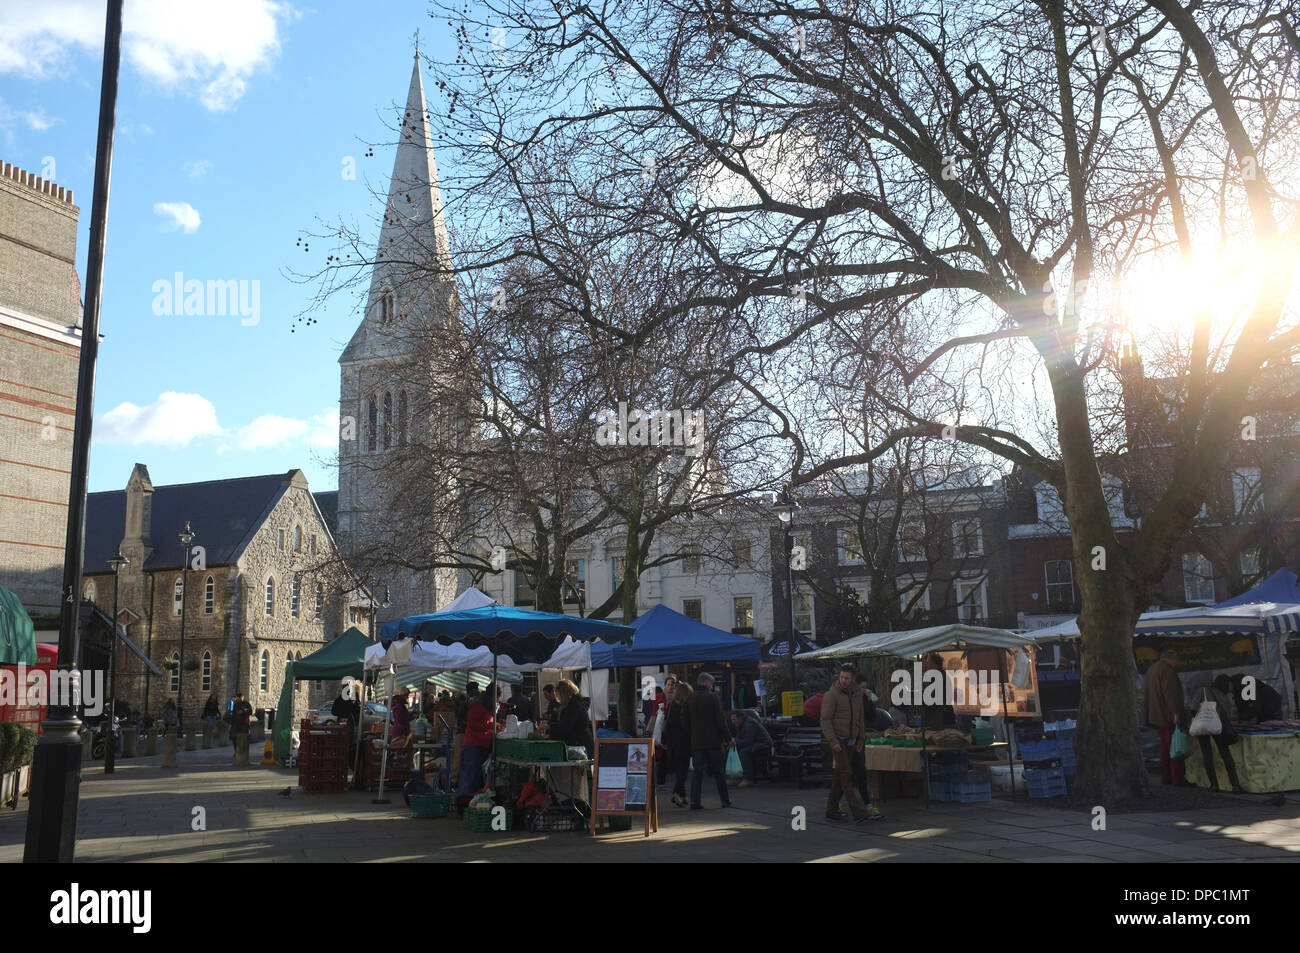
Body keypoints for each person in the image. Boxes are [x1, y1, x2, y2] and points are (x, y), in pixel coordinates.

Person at [820, 664, 871, 822]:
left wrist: (861, 739)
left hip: (851, 741)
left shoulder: (857, 694)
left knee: (840, 776)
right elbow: (825, 719)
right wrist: (833, 741)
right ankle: (857, 811)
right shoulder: (832, 695)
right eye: (841, 677)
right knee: (846, 775)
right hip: (839, 740)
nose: (843, 680)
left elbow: (860, 718)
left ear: (853, 679)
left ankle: (831, 809)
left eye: (846, 678)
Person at [683, 672, 732, 809]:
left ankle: (694, 801)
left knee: (697, 773)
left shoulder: (689, 698)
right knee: (718, 772)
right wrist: (728, 738)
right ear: (706, 683)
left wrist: (690, 736)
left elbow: (684, 722)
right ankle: (725, 799)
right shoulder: (713, 698)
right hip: (713, 742)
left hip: (696, 742)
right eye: (711, 683)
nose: (712, 686)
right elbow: (720, 721)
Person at [1144, 648, 1187, 786]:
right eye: (1176, 660)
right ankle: (1177, 778)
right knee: (1175, 747)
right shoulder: (1167, 671)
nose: (1177, 663)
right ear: (1172, 659)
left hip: (1156, 715)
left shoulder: (1152, 669)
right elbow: (1171, 694)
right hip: (1167, 715)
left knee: (1165, 747)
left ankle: (1166, 776)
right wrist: (1176, 713)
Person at [1194, 677, 1244, 793]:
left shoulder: (1200, 691)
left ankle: (1214, 784)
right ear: (1225, 683)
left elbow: (1193, 707)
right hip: (1218, 726)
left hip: (1201, 725)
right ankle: (1235, 785)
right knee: (1225, 753)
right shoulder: (1222, 695)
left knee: (1207, 753)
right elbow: (1227, 713)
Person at [458, 684, 495, 800]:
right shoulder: (477, 706)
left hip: (481, 745)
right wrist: (490, 725)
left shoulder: (485, 707)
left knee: (477, 777)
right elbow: (472, 724)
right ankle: (464, 802)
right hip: (473, 745)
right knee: (470, 776)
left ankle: (472, 801)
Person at [664, 681, 693, 806]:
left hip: (672, 742)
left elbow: (667, 724)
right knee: (683, 771)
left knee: (679, 770)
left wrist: (665, 740)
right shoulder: (687, 706)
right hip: (684, 742)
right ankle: (676, 793)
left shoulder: (671, 705)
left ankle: (683, 795)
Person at [729, 709, 772, 788]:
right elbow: (741, 739)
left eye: (734, 719)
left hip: (763, 746)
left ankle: (748, 779)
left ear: (740, 718)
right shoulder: (741, 724)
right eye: (732, 720)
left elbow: (748, 741)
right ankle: (737, 776)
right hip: (755, 745)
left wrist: (735, 741)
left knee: (744, 752)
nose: (733, 722)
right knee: (735, 751)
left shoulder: (750, 724)